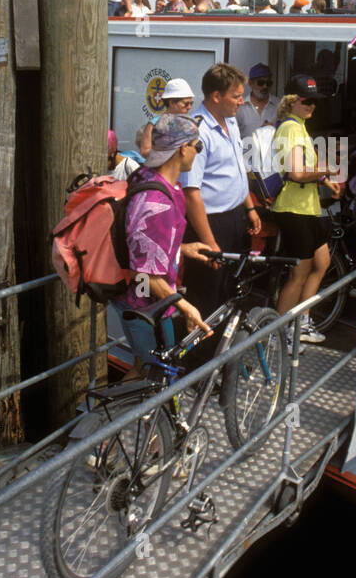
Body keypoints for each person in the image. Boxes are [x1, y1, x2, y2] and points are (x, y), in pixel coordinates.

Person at [115, 115, 214, 377]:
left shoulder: (150, 177)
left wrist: (182, 248)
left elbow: (147, 245)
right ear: (183, 148)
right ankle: (108, 418)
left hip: (148, 300)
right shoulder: (155, 202)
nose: (197, 152)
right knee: (153, 375)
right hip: (144, 306)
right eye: (198, 146)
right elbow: (145, 273)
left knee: (148, 370)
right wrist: (186, 307)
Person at [180, 63, 263, 323]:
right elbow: (191, 193)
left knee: (230, 292)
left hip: (236, 217)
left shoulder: (230, 122)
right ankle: (200, 361)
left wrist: (249, 207)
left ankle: (223, 359)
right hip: (210, 223)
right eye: (236, 96)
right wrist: (211, 244)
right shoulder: (197, 131)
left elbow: (238, 168)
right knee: (206, 299)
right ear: (217, 96)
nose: (241, 101)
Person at [271, 75, 343, 344]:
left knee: (321, 263)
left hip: (307, 208)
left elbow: (304, 171)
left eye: (315, 102)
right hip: (293, 208)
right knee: (299, 272)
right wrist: (327, 170)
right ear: (292, 101)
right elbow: (297, 174)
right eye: (307, 101)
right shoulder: (291, 128)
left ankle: (302, 320)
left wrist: (325, 181)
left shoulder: (299, 126)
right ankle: (279, 331)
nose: (312, 106)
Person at [136, 77, 194, 156]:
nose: (189, 107)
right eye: (186, 104)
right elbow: (144, 152)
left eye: (191, 103)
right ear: (171, 103)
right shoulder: (154, 124)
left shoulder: (189, 124)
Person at [236, 63, 278, 140]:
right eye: (261, 83)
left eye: (268, 83)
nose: (265, 86)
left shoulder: (279, 105)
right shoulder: (240, 106)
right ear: (250, 83)